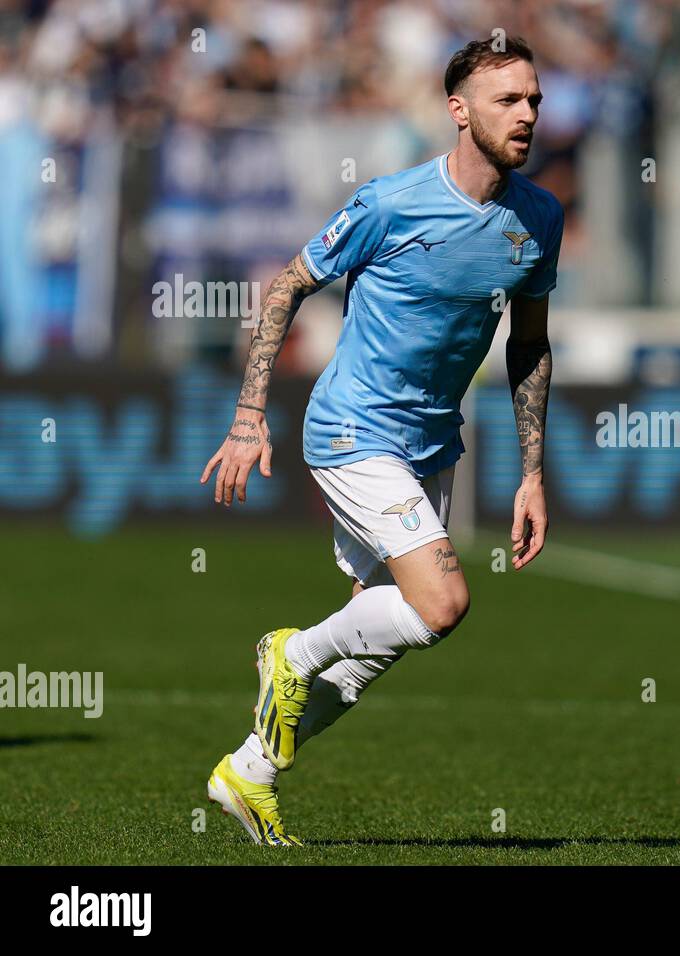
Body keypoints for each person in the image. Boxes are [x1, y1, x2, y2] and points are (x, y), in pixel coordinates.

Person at [198, 36, 563, 845]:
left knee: (375, 642)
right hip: (353, 429)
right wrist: (248, 418)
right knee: (444, 603)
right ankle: (288, 654)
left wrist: (533, 473)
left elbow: (529, 343)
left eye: (535, 98)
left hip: (432, 443)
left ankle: (248, 772)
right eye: (508, 100)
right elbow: (288, 285)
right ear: (458, 111)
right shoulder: (391, 203)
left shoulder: (539, 218)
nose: (528, 114)